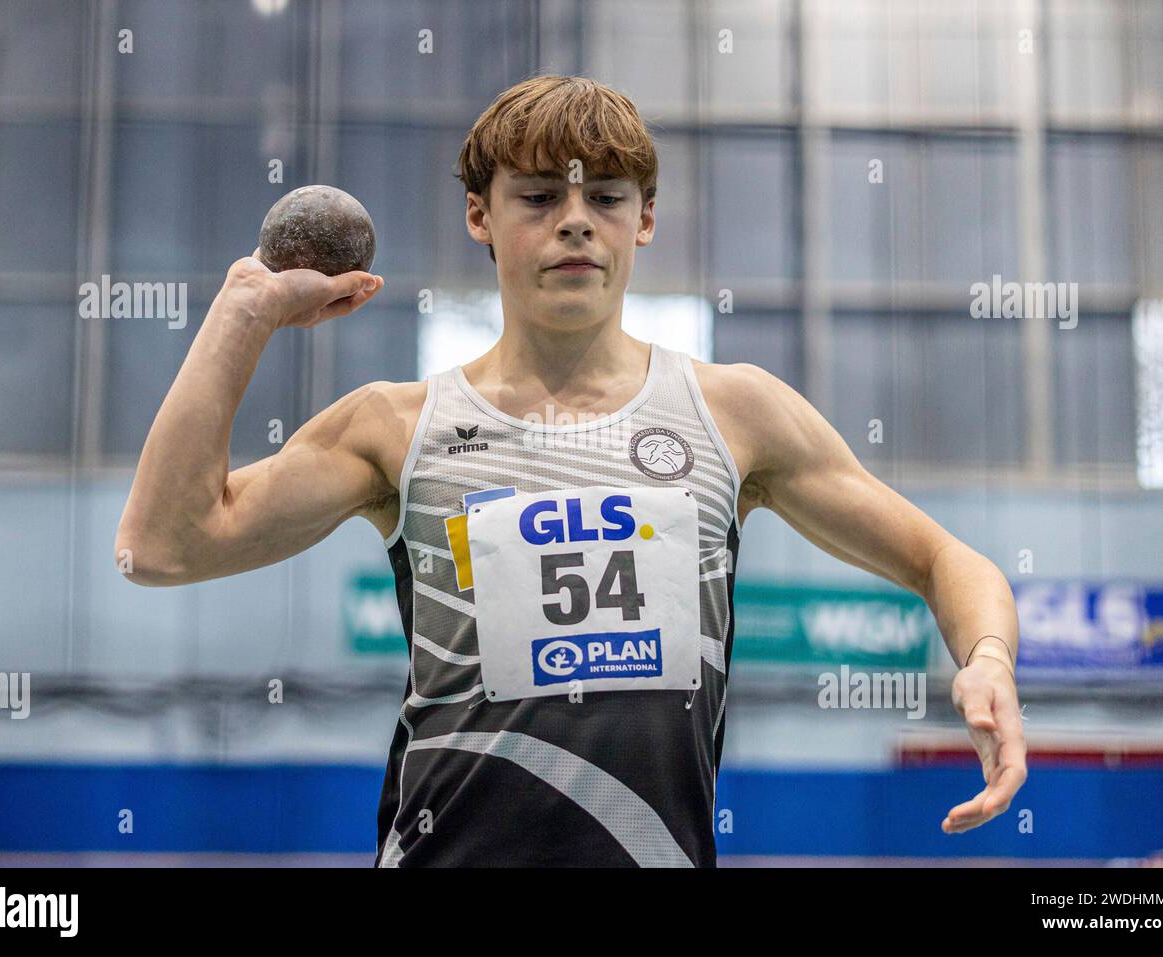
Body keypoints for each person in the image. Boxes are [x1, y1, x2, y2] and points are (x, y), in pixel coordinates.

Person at [116, 74, 1026, 867]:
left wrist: (987, 658)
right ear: (480, 213)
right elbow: (161, 546)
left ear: (646, 218)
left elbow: (947, 560)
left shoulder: (733, 412)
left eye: (608, 199)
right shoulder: (397, 427)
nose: (577, 224)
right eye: (541, 197)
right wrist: (244, 315)